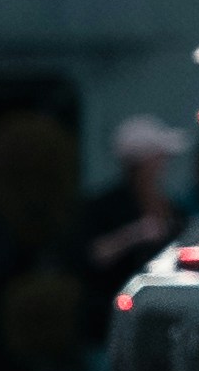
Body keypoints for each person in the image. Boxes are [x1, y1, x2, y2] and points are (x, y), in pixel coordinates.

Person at [81, 118, 189, 305]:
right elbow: (92, 256)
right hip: (110, 309)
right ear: (143, 163)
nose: (164, 164)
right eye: (159, 157)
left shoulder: (170, 207)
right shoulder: (104, 206)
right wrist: (135, 234)